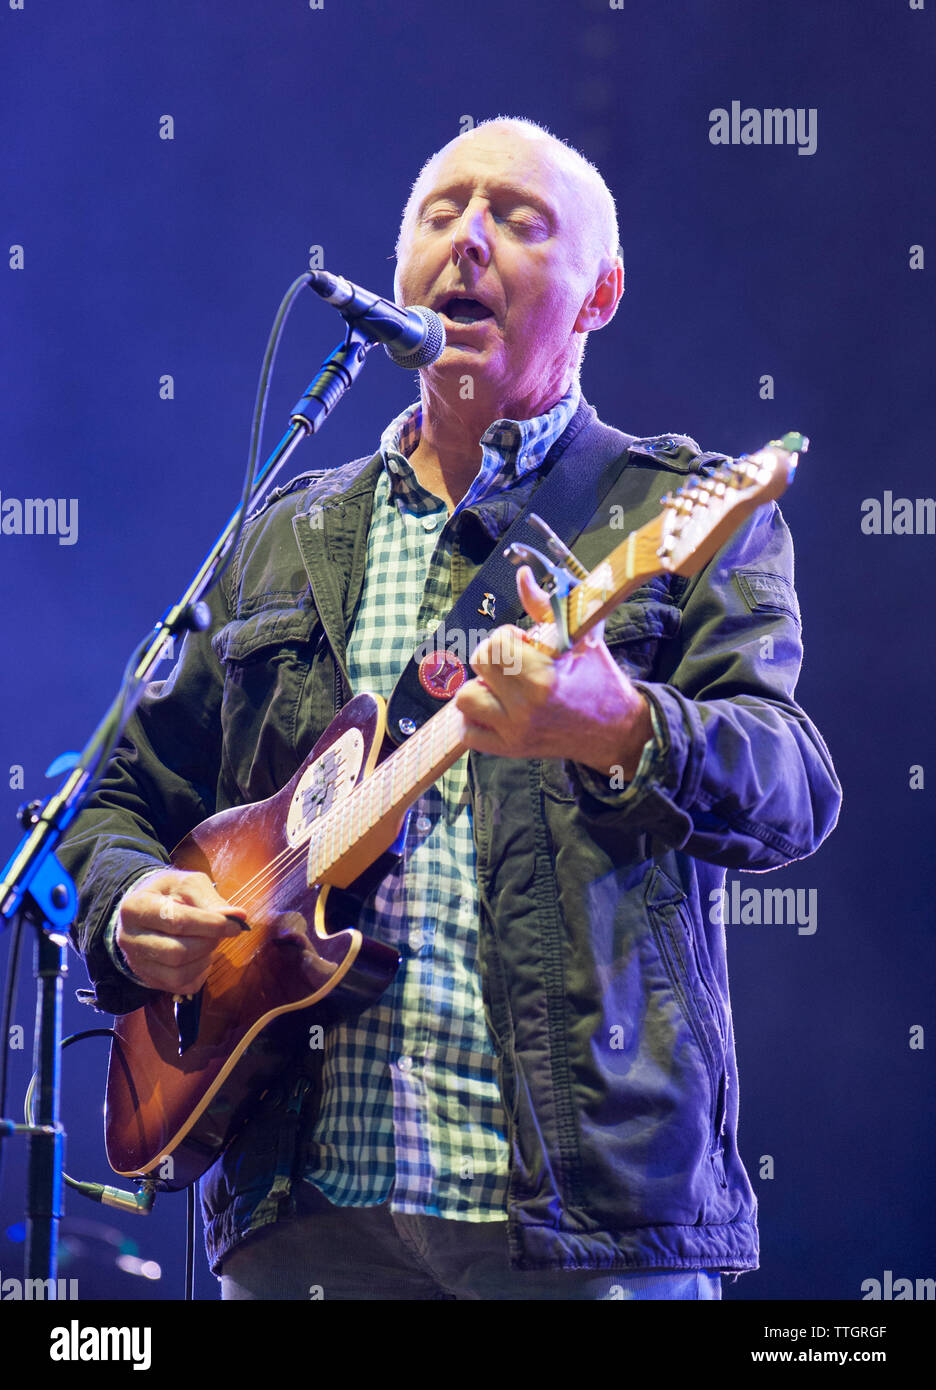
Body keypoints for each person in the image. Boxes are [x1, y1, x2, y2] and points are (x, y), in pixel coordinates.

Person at [58, 117, 842, 1301]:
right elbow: (116, 792)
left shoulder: (675, 510)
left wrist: (622, 726)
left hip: (581, 1231)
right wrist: (126, 909)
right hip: (299, 1214)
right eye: (441, 213)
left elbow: (793, 787)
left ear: (601, 294)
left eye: (520, 221)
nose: (469, 239)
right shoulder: (283, 530)